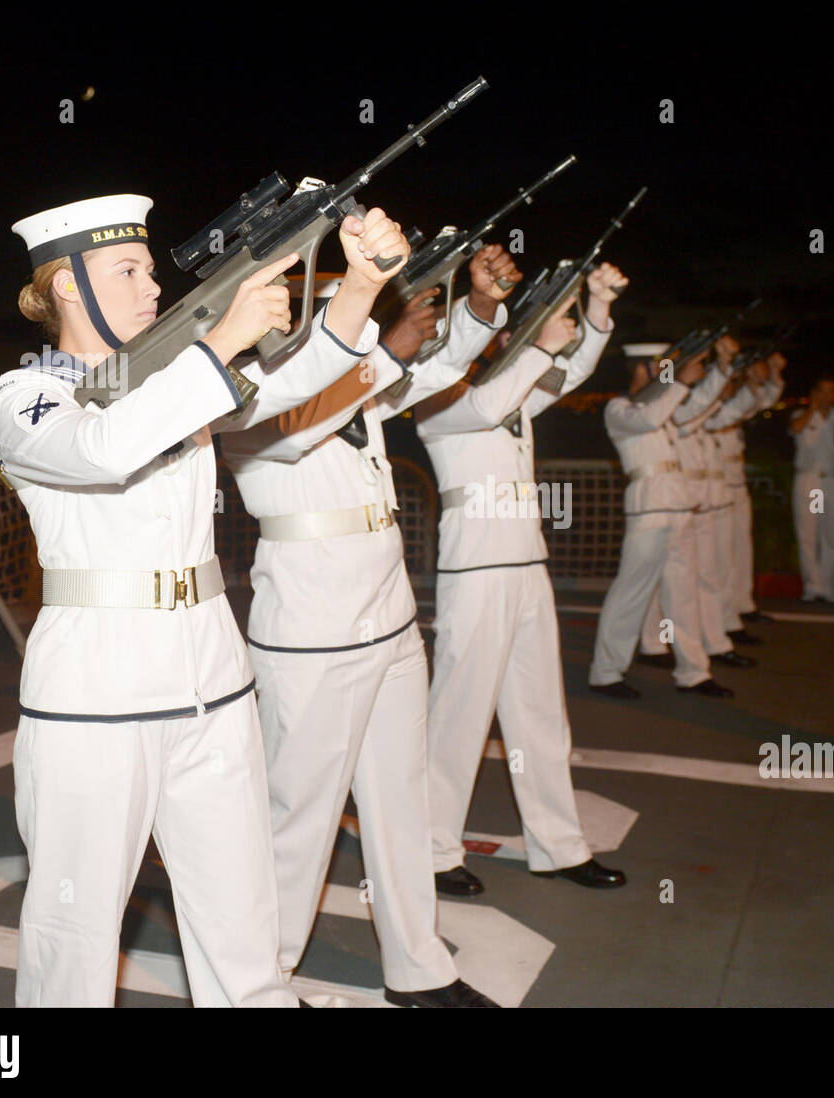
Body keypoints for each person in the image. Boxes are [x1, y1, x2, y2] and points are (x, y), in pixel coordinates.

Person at [0, 192, 407, 1005]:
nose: (153, 285)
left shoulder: (180, 376)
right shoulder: (24, 394)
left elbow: (294, 385)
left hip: (212, 682)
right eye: (129, 270)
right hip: (94, 695)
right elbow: (102, 449)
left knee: (242, 926)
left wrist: (357, 288)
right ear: (67, 285)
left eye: (150, 267)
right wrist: (218, 340)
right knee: (73, 941)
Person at [221, 245, 521, 1008]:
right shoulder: (239, 391)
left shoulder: (364, 380)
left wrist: (479, 309)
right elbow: (294, 427)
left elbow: (434, 366)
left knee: (401, 799)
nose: (310, 315)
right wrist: (381, 353)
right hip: (312, 627)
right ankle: (265, 980)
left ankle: (418, 968)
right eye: (307, 305)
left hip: (388, 614)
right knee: (299, 813)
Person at [417, 263, 630, 898]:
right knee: (459, 718)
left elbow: (577, 370)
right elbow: (489, 401)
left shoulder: (515, 392)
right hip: (476, 573)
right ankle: (430, 851)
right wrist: (537, 345)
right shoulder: (437, 399)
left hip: (526, 568)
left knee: (541, 717)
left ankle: (559, 846)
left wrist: (594, 309)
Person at [589, 343, 733, 699]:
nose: (664, 373)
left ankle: (694, 672)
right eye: (659, 367)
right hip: (650, 509)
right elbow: (649, 419)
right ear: (642, 370)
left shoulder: (664, 409)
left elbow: (697, 409)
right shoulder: (618, 409)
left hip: (678, 507)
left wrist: (723, 368)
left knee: (682, 595)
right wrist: (680, 383)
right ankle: (606, 672)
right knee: (632, 593)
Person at [636, 337, 755, 669]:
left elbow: (724, 408)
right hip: (676, 502)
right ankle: (654, 642)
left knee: (703, 577)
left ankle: (713, 641)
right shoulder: (663, 408)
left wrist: (727, 372)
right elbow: (700, 404)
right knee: (665, 580)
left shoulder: (687, 407)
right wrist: (718, 372)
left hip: (702, 502)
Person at [711, 351, 785, 629]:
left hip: (737, 485)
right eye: (729, 381)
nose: (733, 386)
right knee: (723, 556)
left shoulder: (735, 407)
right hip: (718, 486)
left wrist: (773, 375)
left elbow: (763, 400)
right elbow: (747, 402)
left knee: (742, 550)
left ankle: (743, 604)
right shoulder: (711, 410)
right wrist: (752, 385)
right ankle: (724, 614)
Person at [788, 375, 834, 602]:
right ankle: (812, 586)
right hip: (812, 483)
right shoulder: (801, 416)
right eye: (822, 390)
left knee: (830, 534)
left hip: (832, 481)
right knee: (809, 533)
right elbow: (796, 428)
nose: (827, 396)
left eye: (831, 391)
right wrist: (812, 408)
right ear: (814, 393)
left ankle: (827, 585)